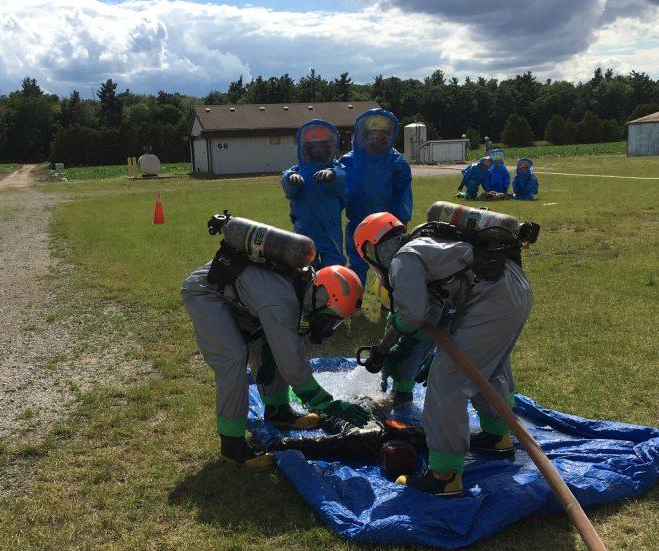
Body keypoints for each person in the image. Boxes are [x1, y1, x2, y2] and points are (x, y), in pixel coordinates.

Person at [353, 212, 533, 496]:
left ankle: (445, 475)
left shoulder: (404, 258)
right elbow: (434, 309)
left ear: (371, 250)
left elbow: (412, 315)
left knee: (446, 383)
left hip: (491, 301)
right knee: (491, 368)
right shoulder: (428, 243)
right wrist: (389, 347)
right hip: (514, 287)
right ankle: (497, 436)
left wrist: (389, 344)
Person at [182, 251, 369, 469]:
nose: (328, 327)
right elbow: (290, 360)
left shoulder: (302, 286)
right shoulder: (281, 301)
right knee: (233, 358)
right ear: (325, 299)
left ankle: (277, 409)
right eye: (331, 319)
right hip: (205, 293)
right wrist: (326, 403)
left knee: (266, 344)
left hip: (235, 296)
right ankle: (232, 446)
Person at [339, 108, 412, 286]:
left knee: (390, 263)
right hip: (358, 221)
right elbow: (336, 189)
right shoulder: (348, 161)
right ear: (363, 134)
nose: (376, 138)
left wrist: (402, 220)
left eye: (382, 134)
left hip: (387, 225)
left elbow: (403, 193)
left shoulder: (397, 162)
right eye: (372, 133)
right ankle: (356, 301)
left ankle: (390, 304)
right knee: (357, 263)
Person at [281, 120, 347, 268]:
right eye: (313, 145)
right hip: (304, 227)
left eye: (322, 145)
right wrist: (291, 179)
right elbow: (288, 188)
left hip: (329, 228)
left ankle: (332, 291)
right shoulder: (296, 170)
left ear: (329, 146)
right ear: (305, 147)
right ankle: (309, 291)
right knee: (306, 267)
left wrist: (331, 174)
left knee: (334, 265)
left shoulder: (337, 168)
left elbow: (342, 183)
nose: (317, 148)